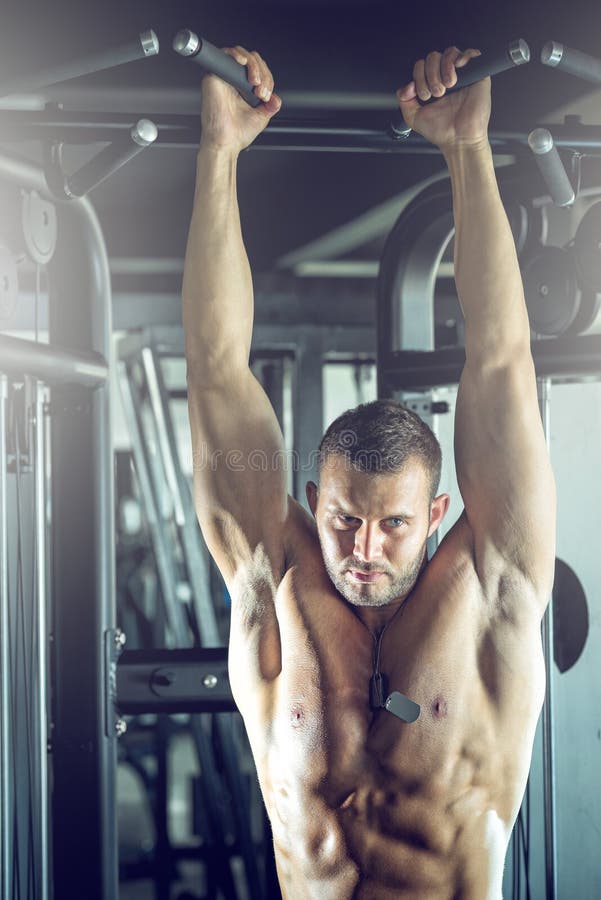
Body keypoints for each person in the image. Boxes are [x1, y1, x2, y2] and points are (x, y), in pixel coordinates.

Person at [183, 42, 556, 900]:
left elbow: (499, 362)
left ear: (434, 517)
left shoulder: (489, 586)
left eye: (393, 524)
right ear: (314, 504)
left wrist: (466, 148)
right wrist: (219, 150)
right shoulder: (271, 578)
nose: (363, 548)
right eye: (344, 519)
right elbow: (215, 368)